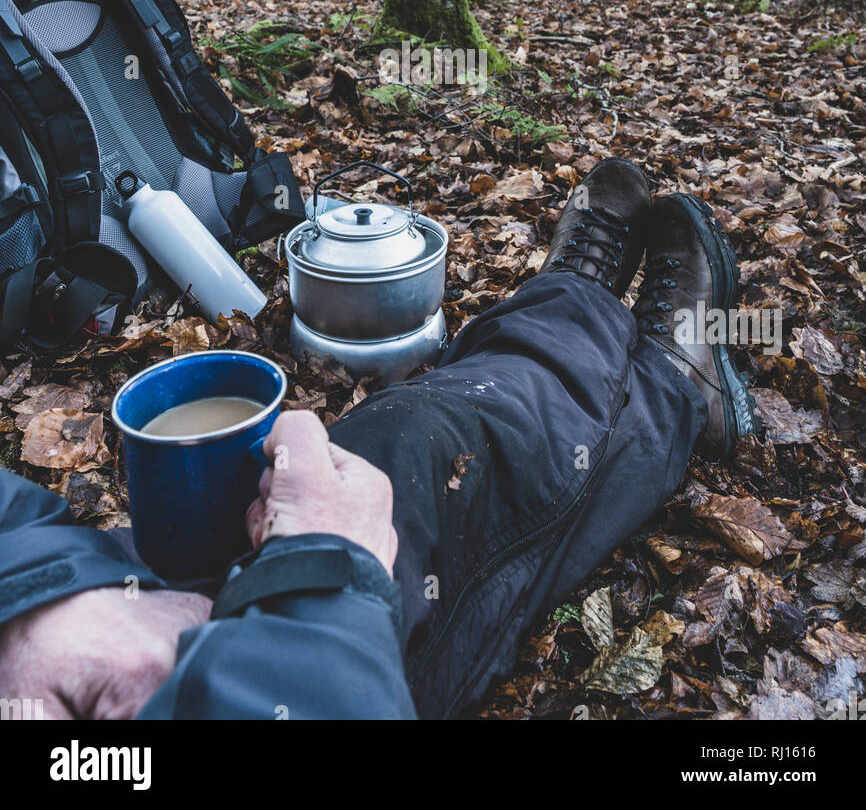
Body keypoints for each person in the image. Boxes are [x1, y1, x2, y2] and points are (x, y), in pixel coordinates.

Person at [0, 159, 755, 720]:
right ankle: (661, 379)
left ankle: (579, 316)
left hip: (119, 591)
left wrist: (40, 598)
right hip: (307, 666)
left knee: (403, 429)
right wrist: (329, 583)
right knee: (424, 451)